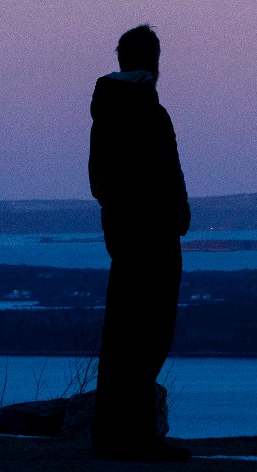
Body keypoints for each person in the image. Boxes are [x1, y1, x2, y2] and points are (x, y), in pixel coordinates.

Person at [88, 24, 192, 461]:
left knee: (123, 334)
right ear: (154, 62)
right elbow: (168, 172)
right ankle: (137, 436)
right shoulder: (151, 113)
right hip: (154, 236)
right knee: (150, 333)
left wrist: (120, 215)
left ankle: (114, 433)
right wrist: (174, 215)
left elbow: (99, 179)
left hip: (125, 236)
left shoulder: (107, 111)